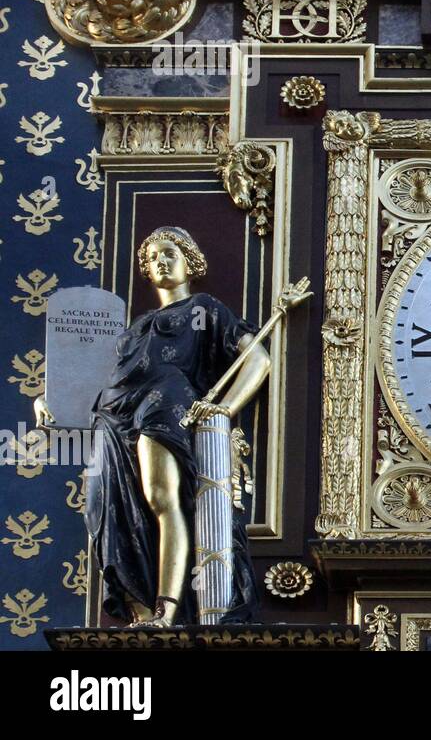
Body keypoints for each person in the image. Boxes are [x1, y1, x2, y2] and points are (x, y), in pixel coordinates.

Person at [73, 227, 269, 627]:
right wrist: (53, 407)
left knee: (162, 497)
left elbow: (258, 359)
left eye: (169, 253)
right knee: (105, 507)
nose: (160, 262)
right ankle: (141, 610)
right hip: (112, 419)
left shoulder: (204, 308)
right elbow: (106, 381)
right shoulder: (136, 327)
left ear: (189, 262)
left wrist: (224, 408)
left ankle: (167, 610)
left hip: (164, 404)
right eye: (152, 258)